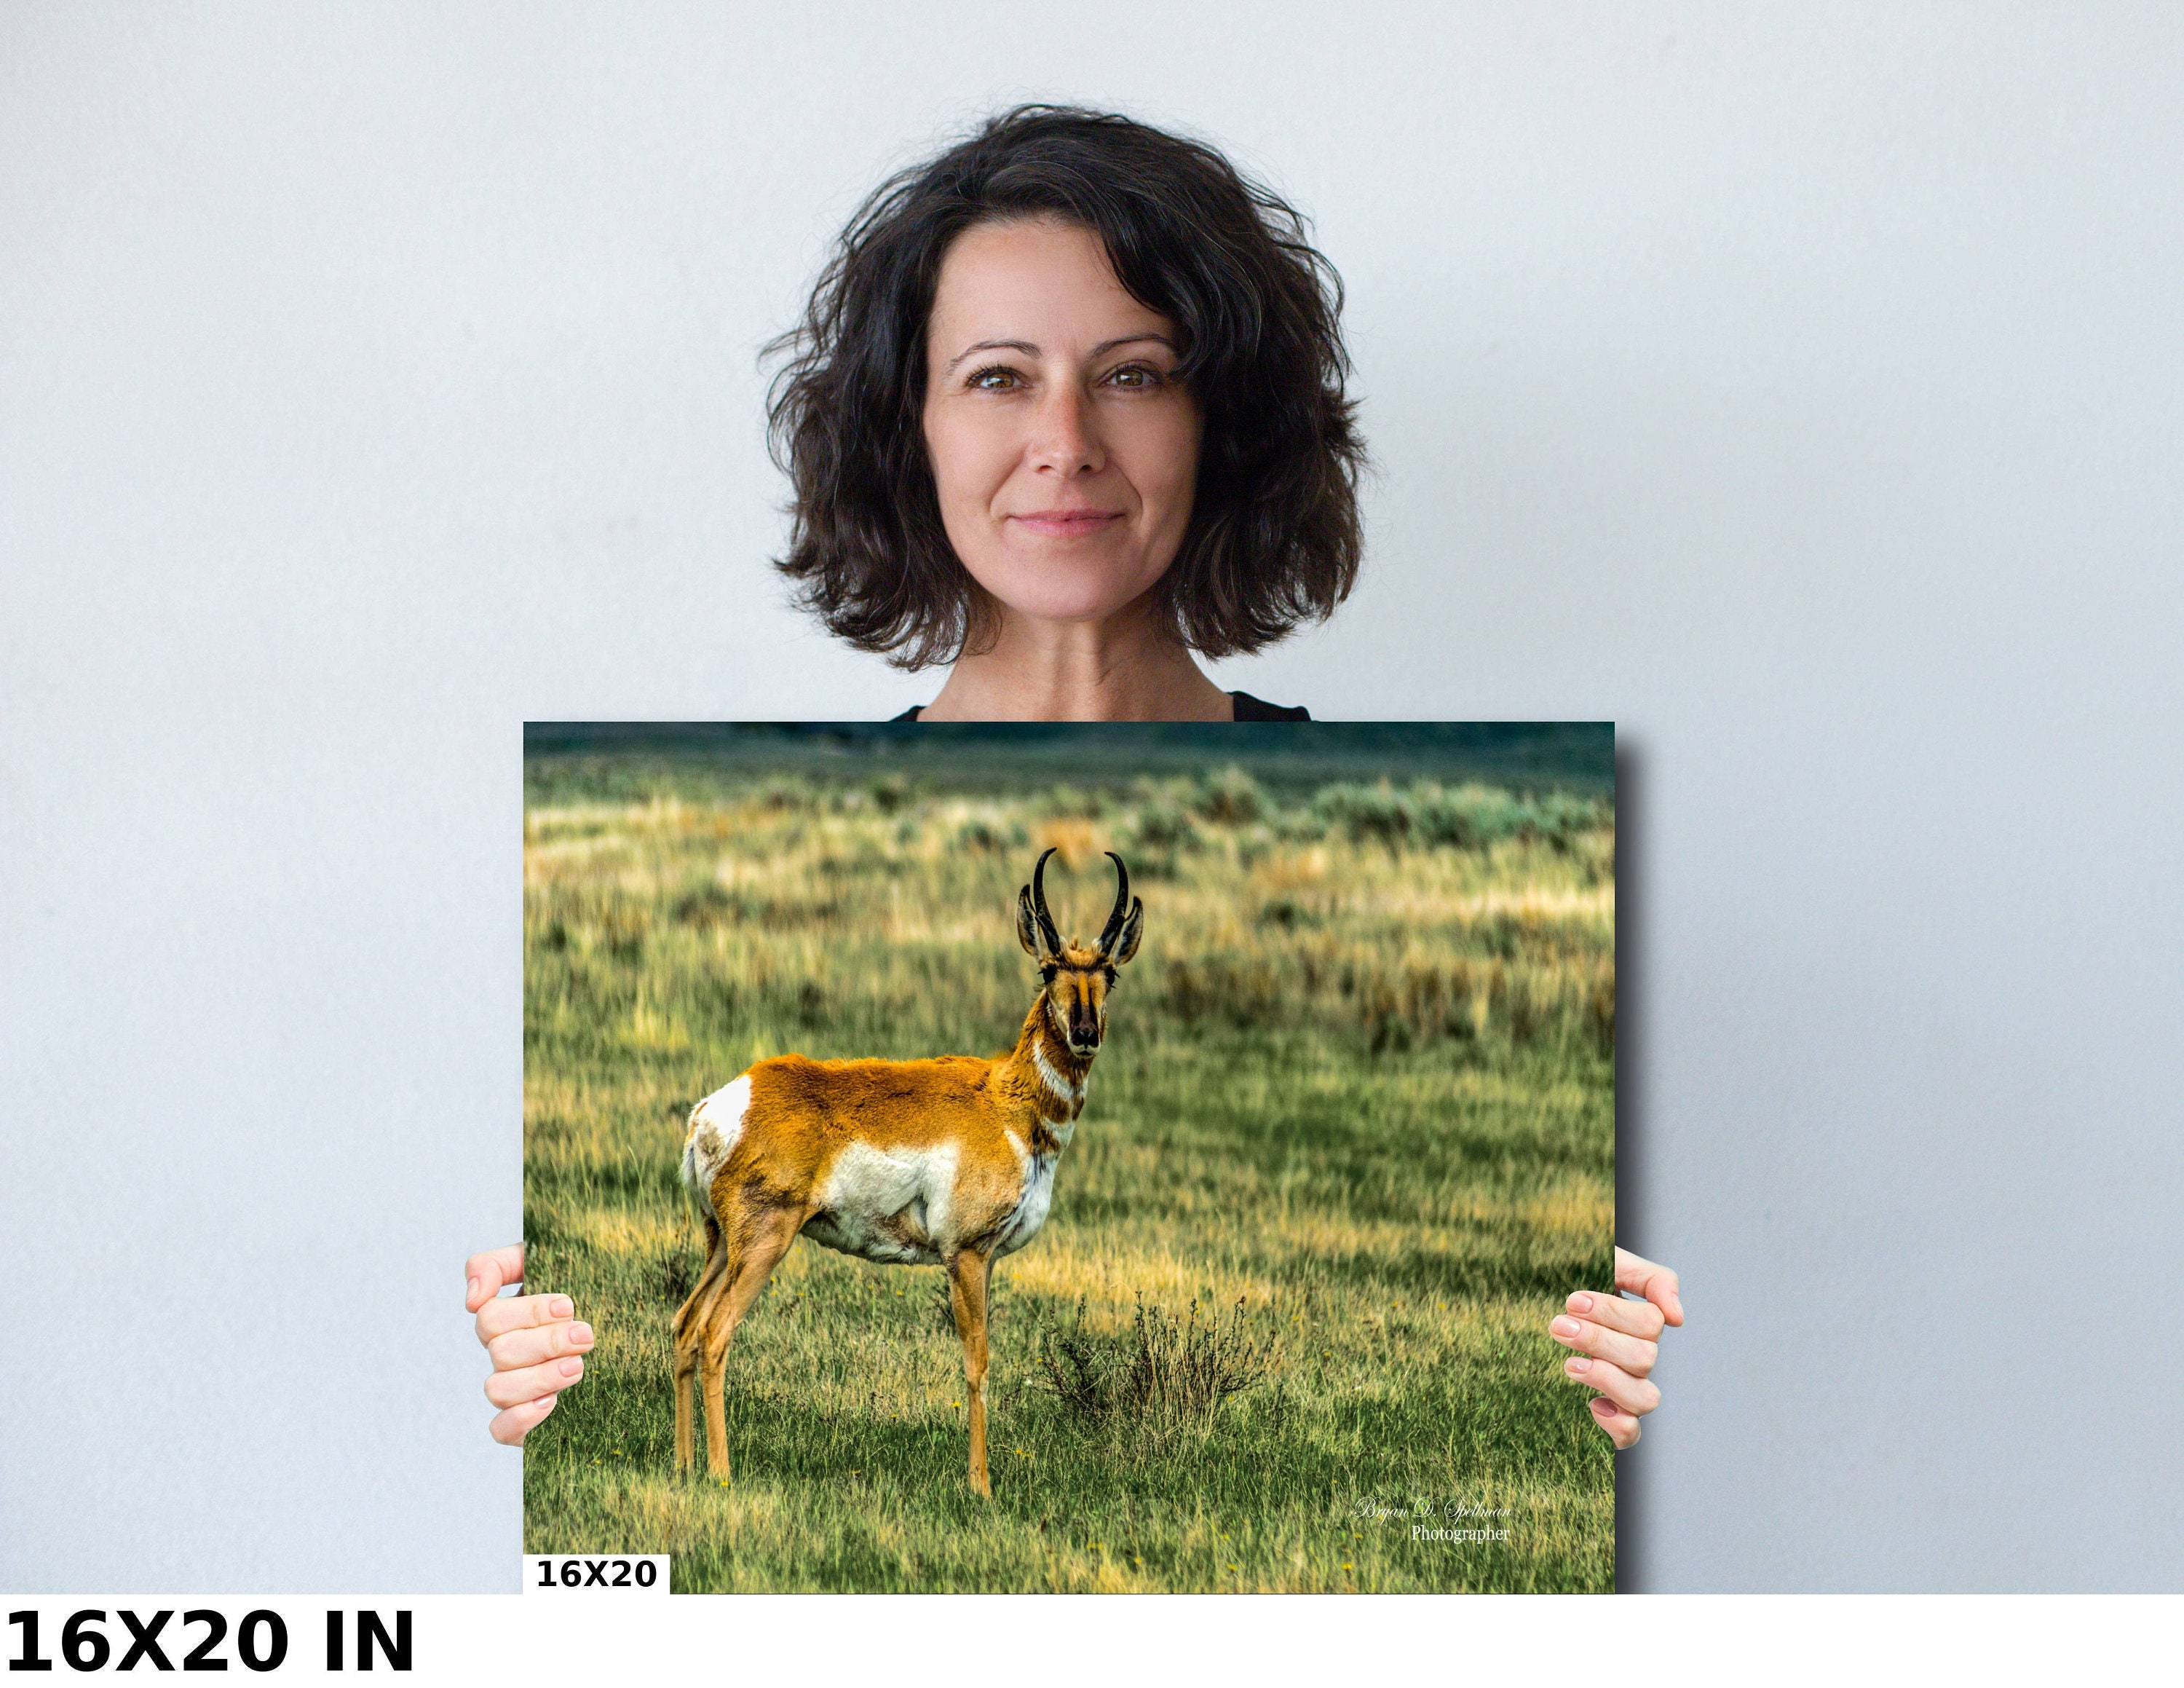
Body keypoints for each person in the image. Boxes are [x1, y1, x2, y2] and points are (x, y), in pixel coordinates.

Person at [471, 104, 1682, 1451]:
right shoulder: (738, 809)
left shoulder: (1524, 852)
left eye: (1135, 373)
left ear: (1223, 422)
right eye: (998, 376)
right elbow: (612, 1597)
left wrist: (1602, 1393)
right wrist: (556, 1435)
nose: (1067, 441)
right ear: (908, 426)